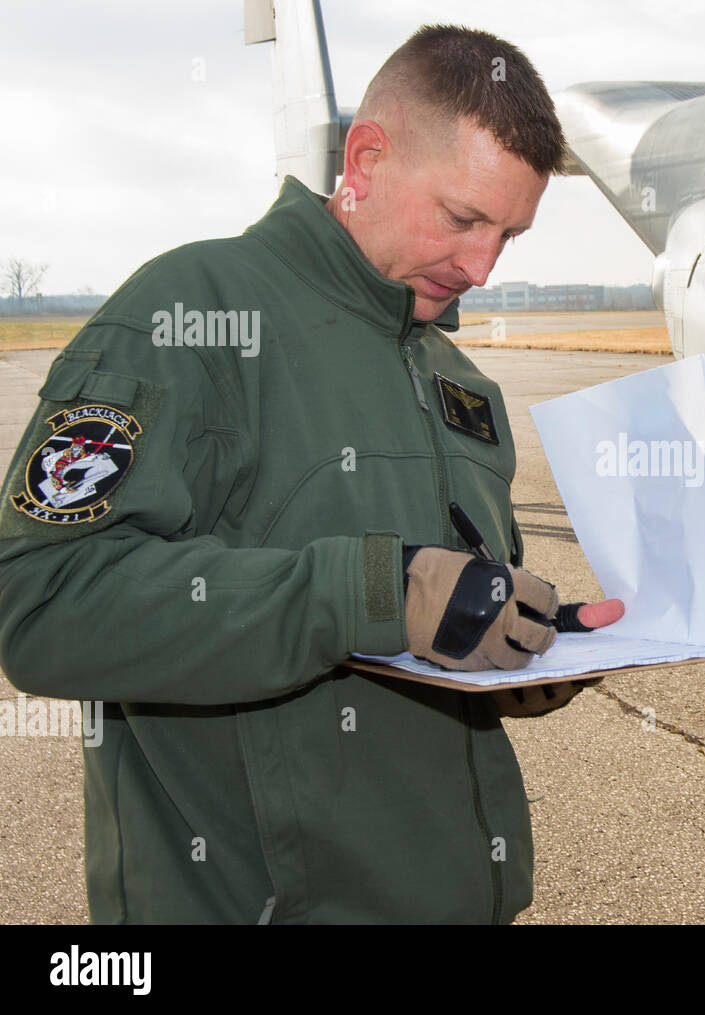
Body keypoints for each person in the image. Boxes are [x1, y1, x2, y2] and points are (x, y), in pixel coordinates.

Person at [0, 24, 620, 924]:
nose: (482, 267)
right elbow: (42, 602)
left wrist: (514, 641)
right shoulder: (195, 310)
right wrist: (367, 590)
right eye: (462, 218)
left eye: (509, 236)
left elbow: (436, 609)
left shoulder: (459, 378)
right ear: (365, 158)